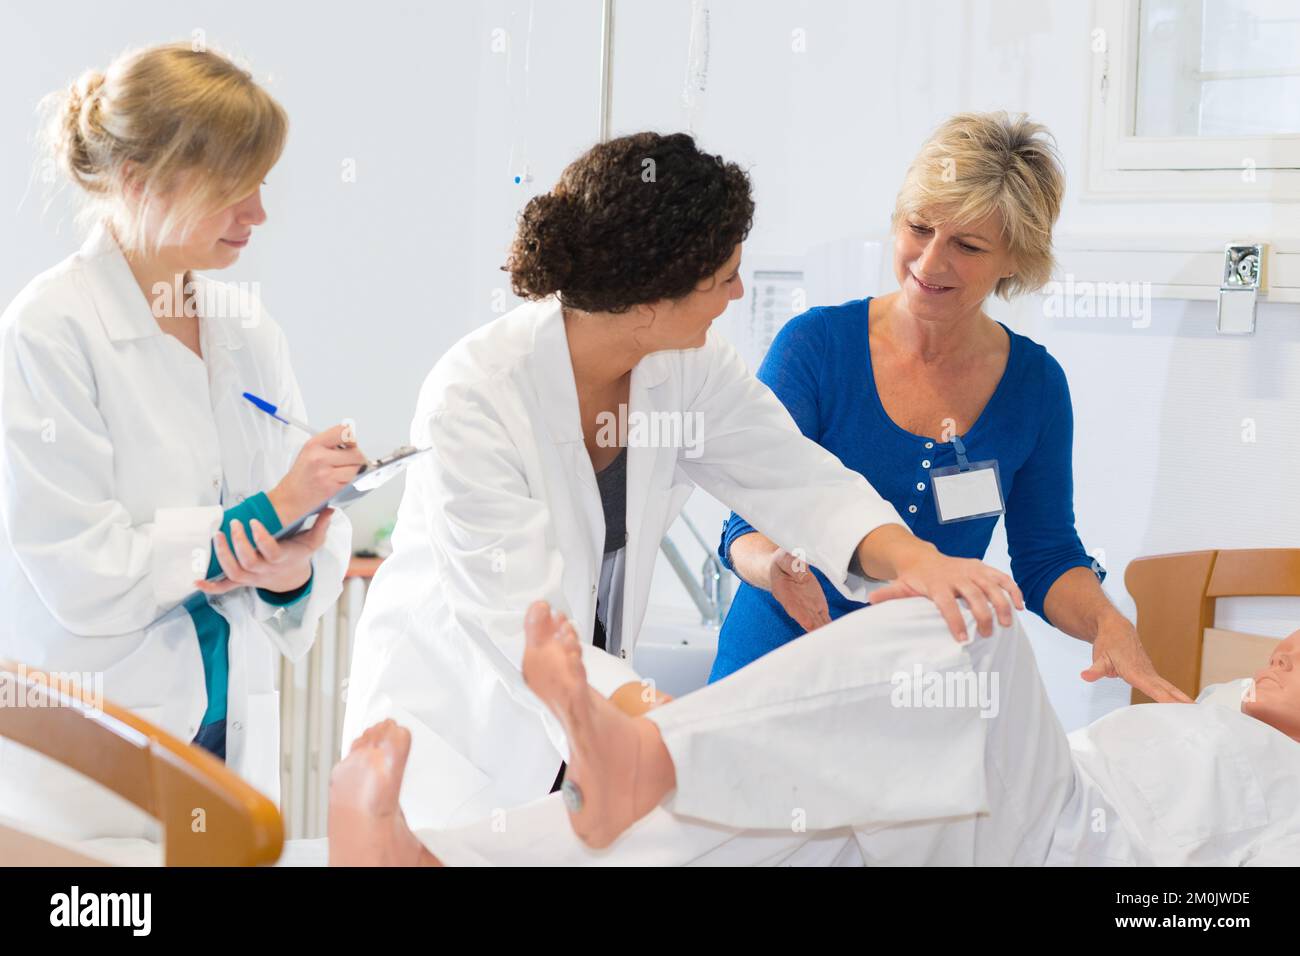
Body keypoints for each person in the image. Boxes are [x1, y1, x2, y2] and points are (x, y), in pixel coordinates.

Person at [342, 131, 1024, 830]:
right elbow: (521, 623)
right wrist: (660, 728)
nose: (737, 291)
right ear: (649, 297)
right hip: (457, 736)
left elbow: (795, 478)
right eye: (722, 276)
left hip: (577, 742)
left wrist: (922, 562)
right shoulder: (476, 396)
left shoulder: (687, 366)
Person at [0, 43, 362, 839]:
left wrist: (290, 564)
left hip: (227, 732)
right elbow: (79, 568)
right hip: (100, 738)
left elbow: (307, 550)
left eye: (260, 185)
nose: (258, 214)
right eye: (235, 189)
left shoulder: (248, 330)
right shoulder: (49, 331)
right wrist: (265, 512)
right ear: (140, 181)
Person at [709, 112, 1188, 706]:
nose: (931, 262)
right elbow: (743, 523)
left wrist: (1108, 624)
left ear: (1014, 258)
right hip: (773, 675)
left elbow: (1046, 558)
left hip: (914, 694)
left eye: (967, 245)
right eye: (920, 228)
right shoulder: (817, 347)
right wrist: (772, 564)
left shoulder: (1035, 386)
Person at [330, 599, 1300, 866]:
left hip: (1059, 835)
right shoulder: (1204, 709)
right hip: (1011, 803)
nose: (1285, 642)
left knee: (976, 632)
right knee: (758, 818)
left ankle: (650, 753)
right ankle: (438, 862)